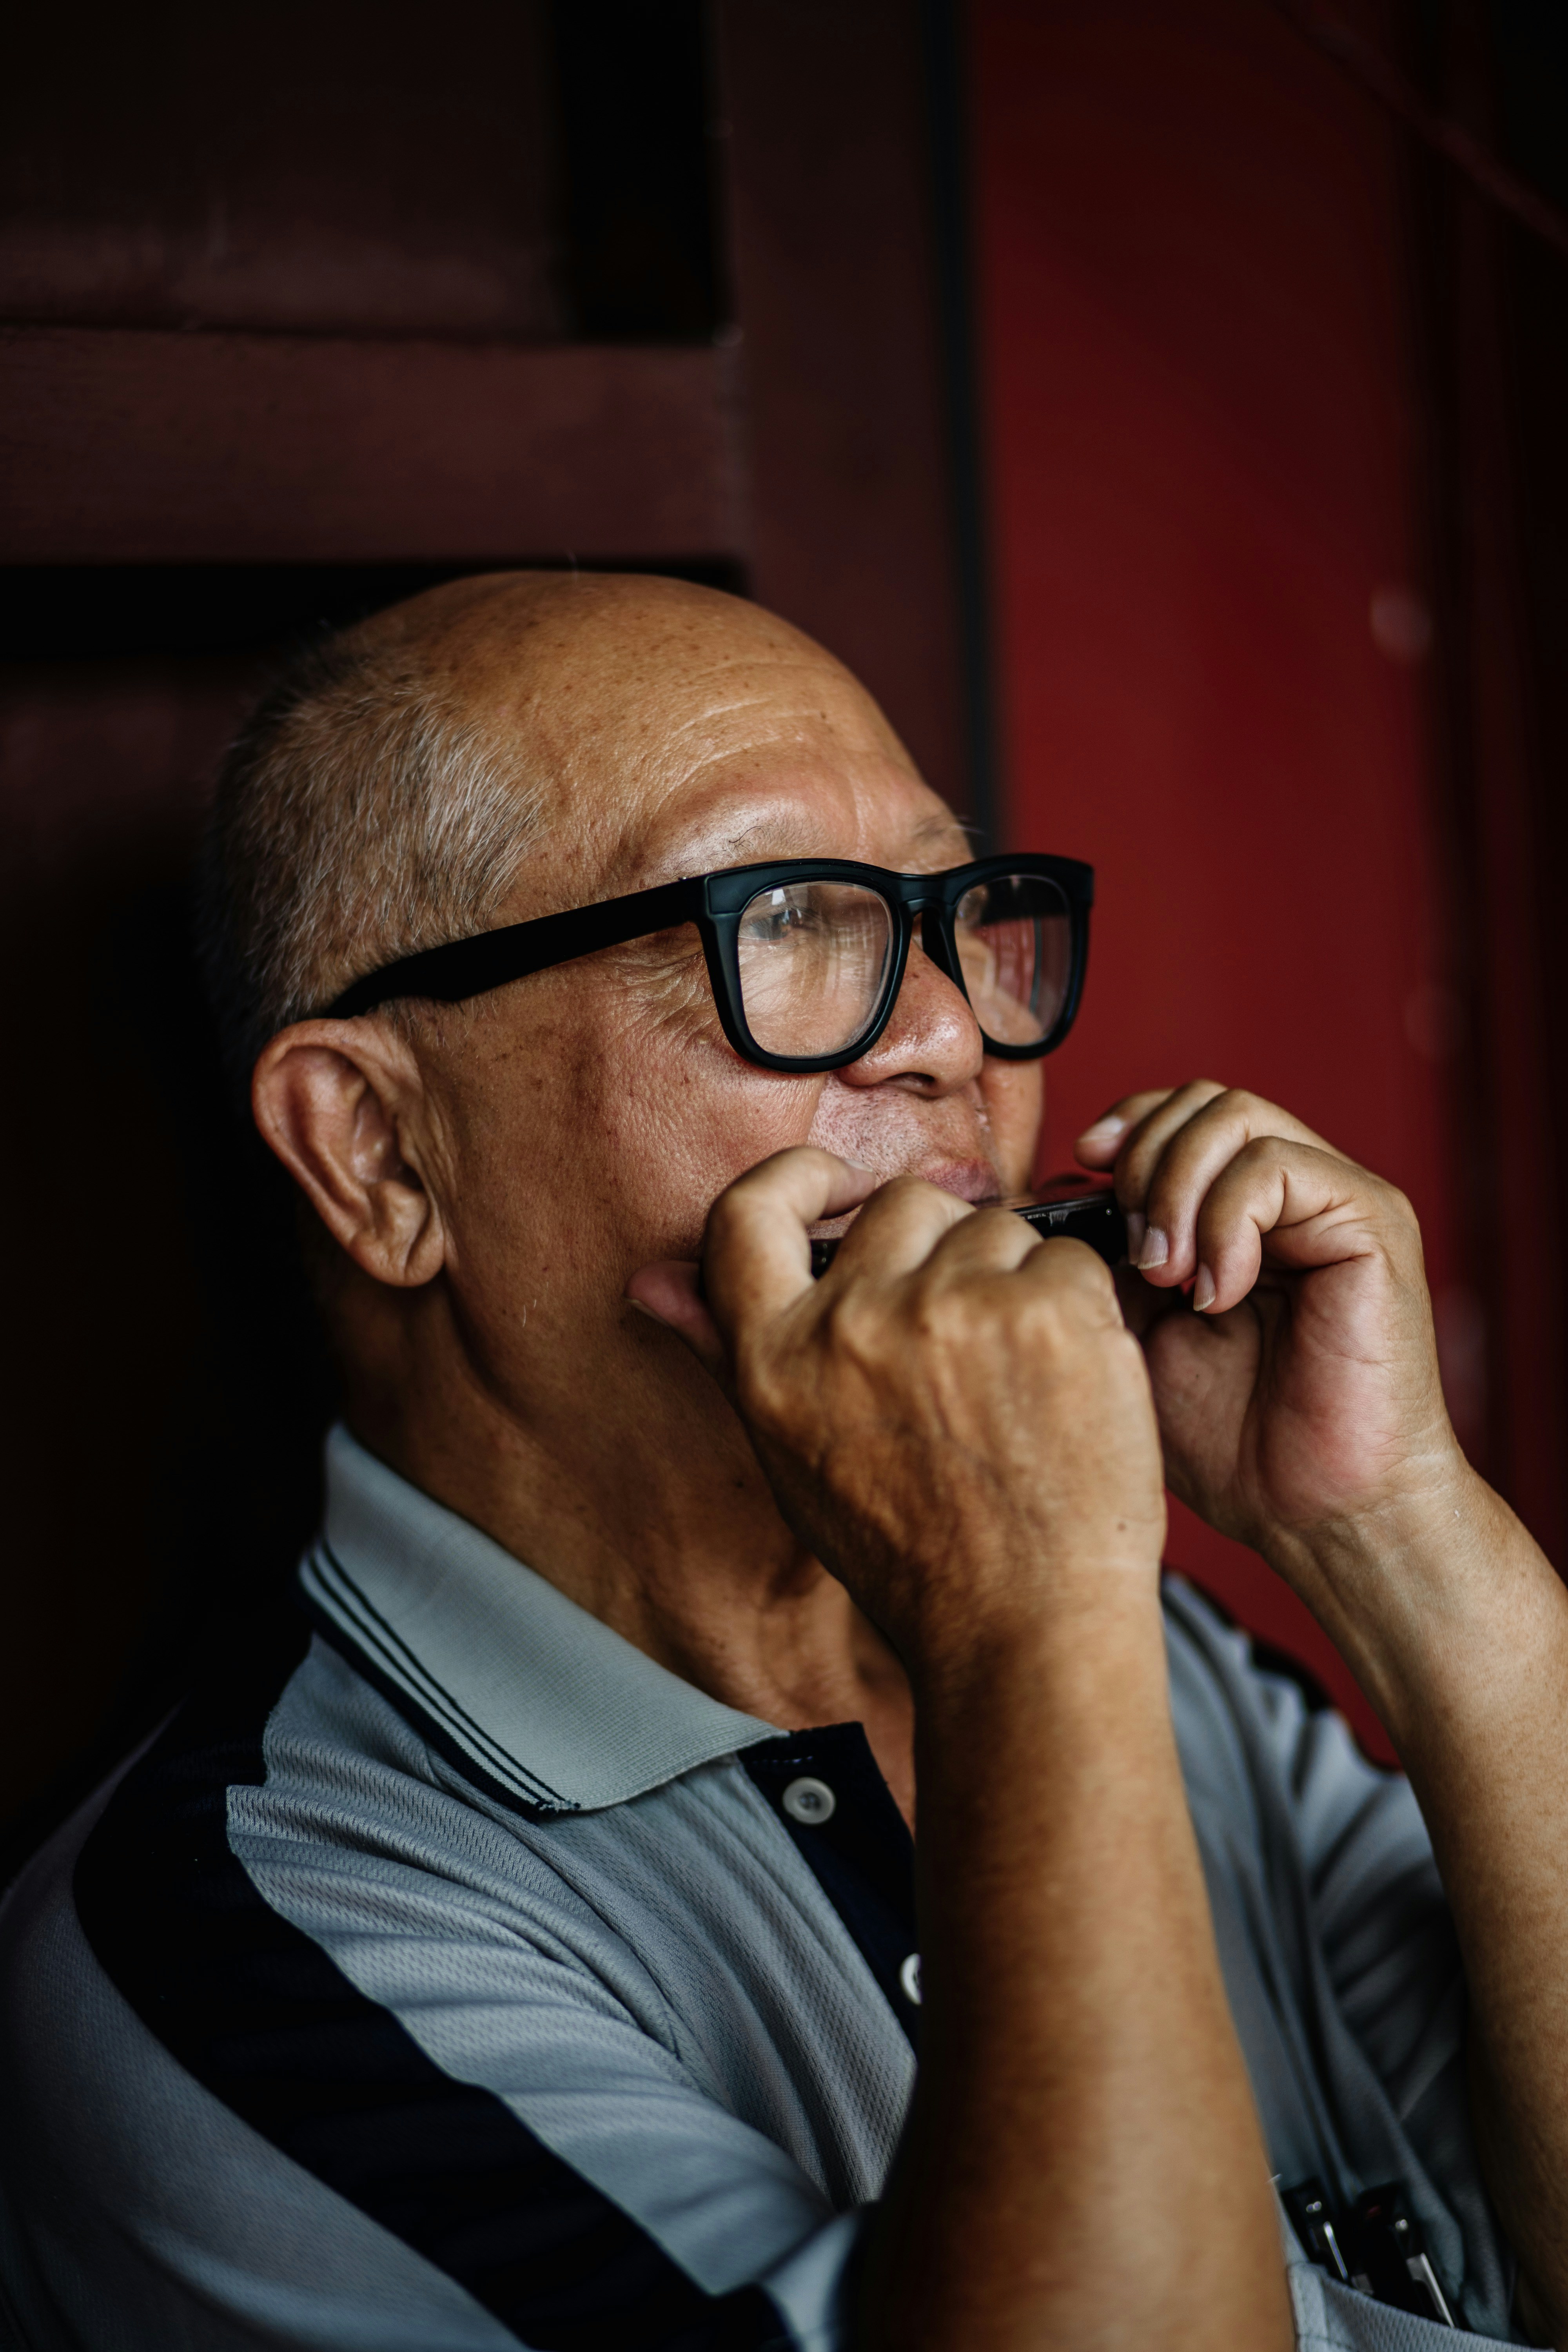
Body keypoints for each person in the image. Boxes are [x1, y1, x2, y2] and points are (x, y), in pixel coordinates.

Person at [1, 572, 1565, 2352]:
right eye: (779, 928)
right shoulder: (245, 1943)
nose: (951, 1041)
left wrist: (1406, 1547)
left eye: (952, 916)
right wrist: (1020, 1618)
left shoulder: (1166, 1681)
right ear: (378, 1153)